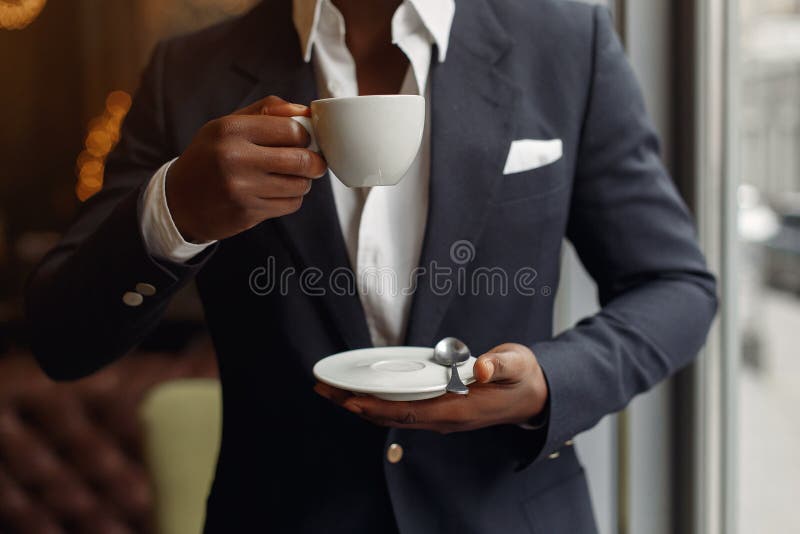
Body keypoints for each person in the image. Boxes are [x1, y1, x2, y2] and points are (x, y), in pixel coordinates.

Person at [26, 0, 718, 532]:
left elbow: (675, 285)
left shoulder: (568, 42)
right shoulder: (189, 72)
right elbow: (61, 339)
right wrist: (175, 207)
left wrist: (549, 382)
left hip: (511, 514)